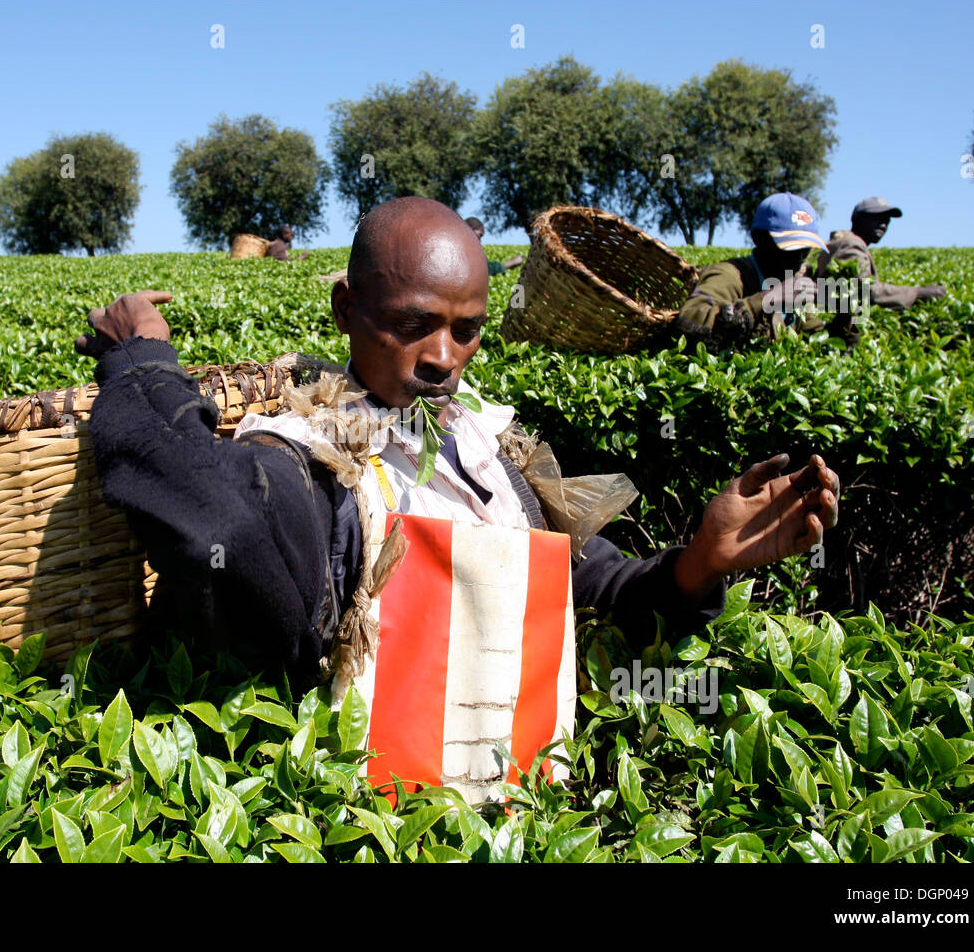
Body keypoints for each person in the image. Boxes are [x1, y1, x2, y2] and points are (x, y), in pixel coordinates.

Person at [77, 196, 840, 801]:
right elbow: (227, 522)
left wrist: (698, 565)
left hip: (527, 816)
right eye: (414, 325)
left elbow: (581, 590)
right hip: (382, 827)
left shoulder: (487, 451)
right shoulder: (314, 456)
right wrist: (143, 362)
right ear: (346, 311)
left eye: (466, 330)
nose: (444, 359)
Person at [676, 193, 828, 350]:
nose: (798, 259)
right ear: (760, 239)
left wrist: (845, 318)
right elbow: (690, 320)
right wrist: (766, 299)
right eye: (790, 249)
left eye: (805, 250)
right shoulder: (730, 275)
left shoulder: (791, 283)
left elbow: (817, 338)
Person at [814, 197, 947, 341]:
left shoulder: (846, 242)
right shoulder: (851, 244)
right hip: (836, 334)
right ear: (857, 219)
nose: (883, 224)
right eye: (876, 218)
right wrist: (917, 293)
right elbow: (863, 290)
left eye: (886, 220)